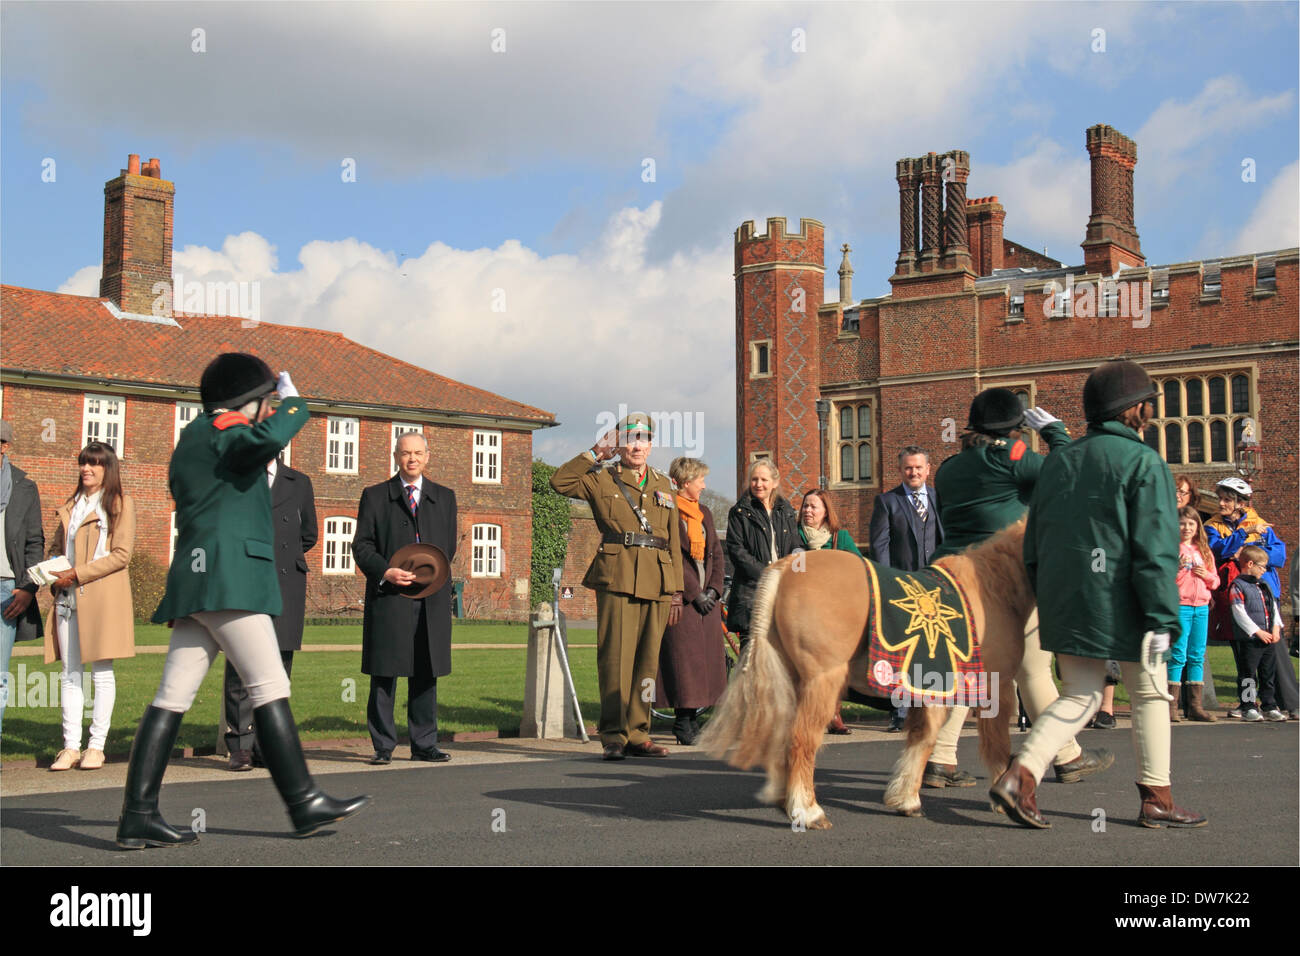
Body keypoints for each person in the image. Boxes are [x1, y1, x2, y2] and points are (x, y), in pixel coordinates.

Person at [116, 353, 368, 848]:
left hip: (198, 581)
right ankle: (304, 802)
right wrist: (293, 406)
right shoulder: (225, 427)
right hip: (231, 577)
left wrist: (269, 408)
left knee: (173, 695)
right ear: (246, 403)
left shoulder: (191, 437)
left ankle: (137, 814)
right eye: (263, 402)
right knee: (269, 682)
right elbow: (265, 439)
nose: (265, 410)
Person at [991, 359, 1206, 830]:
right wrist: (1163, 616)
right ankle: (1157, 798)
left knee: (1082, 695)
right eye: (1147, 403)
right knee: (1150, 695)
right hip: (1127, 599)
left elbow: (1036, 541)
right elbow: (1154, 550)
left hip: (1066, 594)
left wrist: (1046, 589)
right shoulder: (1144, 462)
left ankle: (1020, 776)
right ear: (1136, 410)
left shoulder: (1060, 460)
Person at [926, 388, 1111, 788]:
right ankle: (1067, 754)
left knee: (963, 666)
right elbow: (1068, 472)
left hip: (950, 576)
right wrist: (1056, 433)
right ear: (1014, 429)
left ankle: (939, 757)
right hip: (1001, 577)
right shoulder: (1010, 457)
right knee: (1032, 666)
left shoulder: (948, 467)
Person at [551, 413, 684, 760]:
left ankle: (639, 733)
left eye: (644, 439)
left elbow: (672, 541)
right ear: (618, 443)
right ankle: (613, 734)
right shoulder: (601, 480)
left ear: (651, 444)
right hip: (618, 574)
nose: (637, 445)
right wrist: (595, 453)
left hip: (657, 579)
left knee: (647, 662)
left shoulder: (664, 484)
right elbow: (559, 482)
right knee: (614, 659)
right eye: (630, 438)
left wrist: (677, 592)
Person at [352, 431, 458, 765]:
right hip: (390, 596)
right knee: (385, 673)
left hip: (431, 598)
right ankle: (383, 746)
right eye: (405, 453)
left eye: (417, 453)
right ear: (396, 457)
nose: (411, 459)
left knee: (426, 670)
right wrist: (385, 572)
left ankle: (424, 743)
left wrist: (428, 575)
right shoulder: (375, 496)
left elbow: (447, 547)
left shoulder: (445, 497)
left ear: (427, 456)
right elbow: (362, 545)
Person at [222, 453, 318, 770]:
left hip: (286, 582)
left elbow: (309, 534)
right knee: (240, 666)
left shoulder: (299, 482)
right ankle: (239, 746)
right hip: (245, 578)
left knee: (278, 668)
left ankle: (267, 746)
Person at [45, 442, 135, 771]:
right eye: (83, 463)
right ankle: (70, 747)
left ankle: (96, 746)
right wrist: (50, 568)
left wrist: (77, 574)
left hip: (102, 600)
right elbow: (57, 546)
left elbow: (122, 555)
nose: (87, 469)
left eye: (94, 464)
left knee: (101, 674)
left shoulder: (120, 505)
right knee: (70, 674)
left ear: (107, 469)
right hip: (67, 599)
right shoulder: (72, 505)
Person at [870, 445, 943, 731]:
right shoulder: (887, 501)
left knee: (933, 650)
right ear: (901, 470)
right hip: (902, 588)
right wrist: (890, 583)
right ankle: (900, 712)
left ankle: (932, 709)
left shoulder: (939, 499)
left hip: (934, 587)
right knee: (901, 651)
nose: (913, 472)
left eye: (918, 467)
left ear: (928, 469)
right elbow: (880, 545)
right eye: (908, 468)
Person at [1206, 476, 1290, 717]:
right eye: (1220, 499)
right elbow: (1217, 550)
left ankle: (1270, 703)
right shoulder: (1212, 525)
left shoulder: (1260, 523)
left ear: (1240, 503)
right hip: (1235, 597)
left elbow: (1280, 555)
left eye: (1226, 500)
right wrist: (1242, 535)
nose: (1221, 504)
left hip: (1264, 595)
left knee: (1267, 662)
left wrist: (1248, 554)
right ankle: (1247, 703)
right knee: (1244, 660)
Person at [655, 457, 726, 746]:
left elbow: (717, 554)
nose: (704, 485)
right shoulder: (668, 511)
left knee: (706, 663)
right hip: (681, 600)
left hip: (707, 601)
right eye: (700, 480)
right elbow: (672, 556)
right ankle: (683, 722)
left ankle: (695, 719)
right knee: (683, 664)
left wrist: (714, 590)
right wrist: (695, 593)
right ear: (686, 482)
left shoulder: (705, 512)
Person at [796, 487, 861, 734]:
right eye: (805, 506)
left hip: (832, 609)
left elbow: (858, 566)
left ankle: (833, 714)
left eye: (814, 506)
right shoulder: (794, 536)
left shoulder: (839, 538)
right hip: (802, 608)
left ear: (825, 512)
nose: (808, 511)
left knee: (833, 663)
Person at [725, 458, 799, 656]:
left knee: (782, 657)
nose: (759, 484)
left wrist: (798, 574)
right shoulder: (739, 512)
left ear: (775, 482)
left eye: (764, 480)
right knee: (752, 657)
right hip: (752, 594)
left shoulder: (787, 511)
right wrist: (767, 574)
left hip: (783, 592)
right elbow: (736, 551)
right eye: (754, 479)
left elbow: (797, 547)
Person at [1, 420, 45, 736]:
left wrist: (28, 588)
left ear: (4, 446)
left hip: (7, 591)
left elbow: (34, 542)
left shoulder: (24, 488)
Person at [1171, 505, 1220, 722]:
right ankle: (1171, 706)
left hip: (1201, 607)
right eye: (1182, 523)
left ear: (1197, 526)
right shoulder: (1173, 549)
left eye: (1191, 524)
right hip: (1181, 606)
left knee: (1196, 655)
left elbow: (1216, 581)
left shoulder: (1204, 550)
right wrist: (1179, 569)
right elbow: (1167, 581)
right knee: (1178, 654)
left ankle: (1195, 706)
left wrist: (1207, 575)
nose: (1187, 528)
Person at [1227, 545, 1285, 721]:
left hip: (1268, 638)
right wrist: (1257, 631)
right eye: (1262, 566)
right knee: (1248, 674)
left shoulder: (1264, 585)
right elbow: (1239, 612)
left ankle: (1269, 705)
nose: (1264, 570)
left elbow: (1273, 608)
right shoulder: (1238, 585)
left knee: (1268, 674)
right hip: (1250, 639)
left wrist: (1276, 628)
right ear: (1250, 564)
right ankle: (1248, 707)